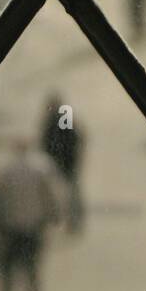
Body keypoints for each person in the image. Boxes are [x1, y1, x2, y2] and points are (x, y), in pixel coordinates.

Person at [0, 140, 58, 291]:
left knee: (8, 271)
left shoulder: (6, 171)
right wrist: (52, 214)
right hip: (33, 225)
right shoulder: (40, 168)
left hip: (11, 226)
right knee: (32, 266)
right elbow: (49, 195)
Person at [41, 97, 86, 234]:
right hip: (65, 163)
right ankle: (71, 221)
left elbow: (61, 140)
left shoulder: (57, 118)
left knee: (67, 193)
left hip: (63, 163)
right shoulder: (60, 117)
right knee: (70, 193)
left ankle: (70, 221)